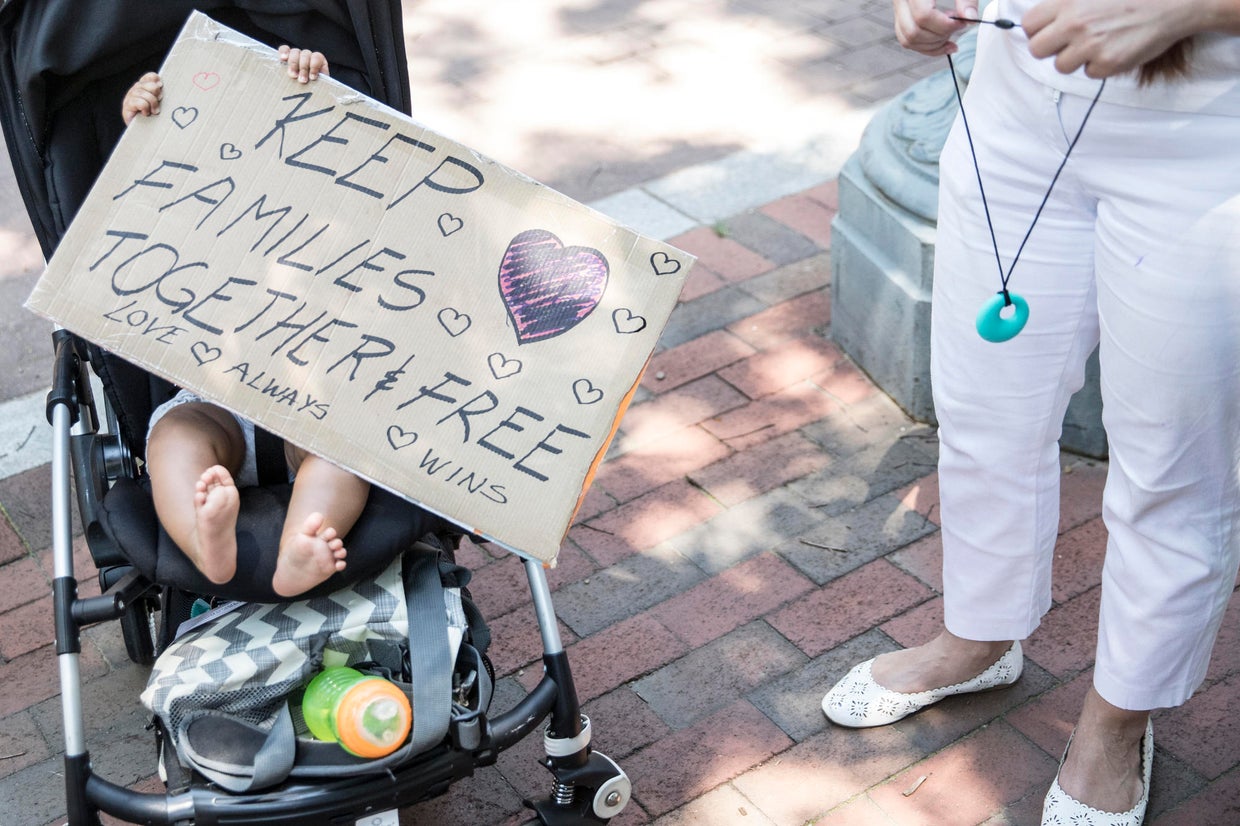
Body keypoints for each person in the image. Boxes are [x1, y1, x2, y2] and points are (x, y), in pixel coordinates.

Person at [821, 1, 1240, 824]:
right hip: (1011, 112)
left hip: (1206, 140)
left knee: (1171, 469)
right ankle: (979, 636)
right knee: (984, 413)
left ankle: (1119, 719)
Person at [126, 46, 372, 598]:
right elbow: (135, 216)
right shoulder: (191, 200)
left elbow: (372, 195)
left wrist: (321, 95)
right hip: (216, 397)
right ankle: (205, 538)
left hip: (316, 397)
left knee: (347, 453)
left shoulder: (327, 198)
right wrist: (144, 132)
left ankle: (298, 550)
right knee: (174, 436)